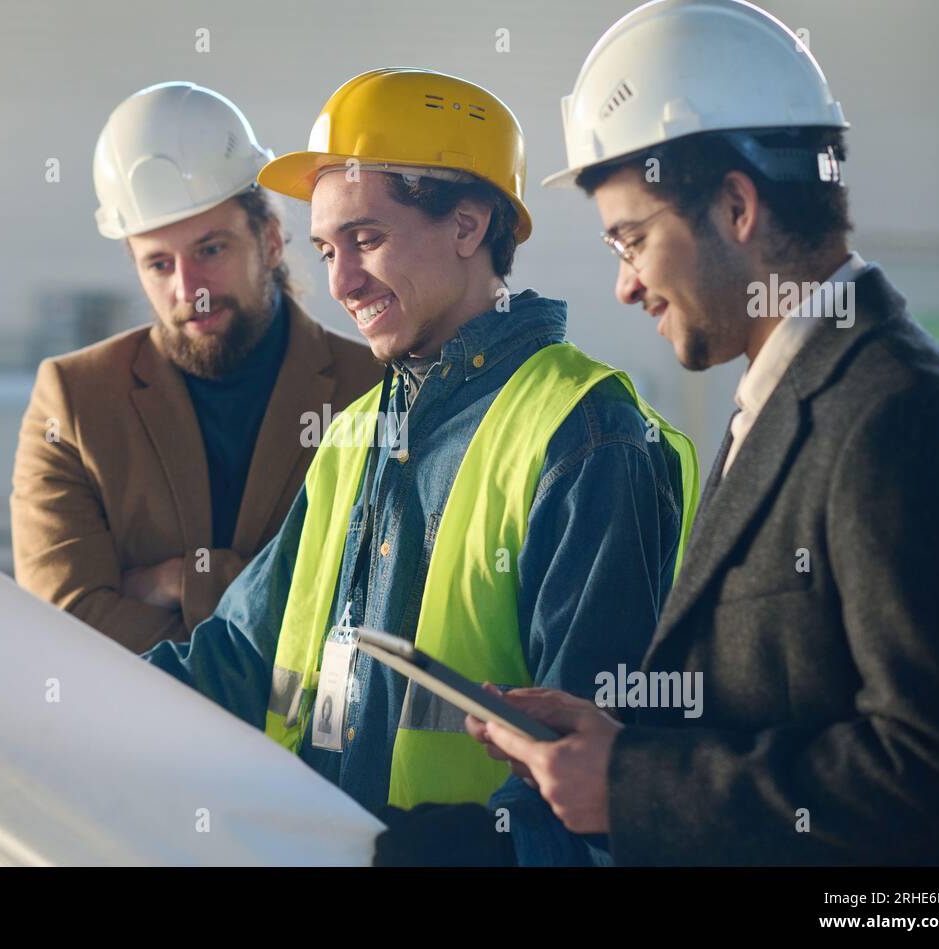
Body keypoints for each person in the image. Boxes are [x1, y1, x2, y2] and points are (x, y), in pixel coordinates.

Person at [468, 0, 939, 865]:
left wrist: (637, 787)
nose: (624, 287)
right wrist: (622, 746)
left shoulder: (895, 420)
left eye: (631, 240)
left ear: (736, 206)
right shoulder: (782, 398)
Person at [141, 68, 699, 866]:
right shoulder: (357, 432)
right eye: (328, 250)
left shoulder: (588, 435)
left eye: (366, 240)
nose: (340, 283)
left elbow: (597, 774)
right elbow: (235, 658)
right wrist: (33, 693)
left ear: (470, 224)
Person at [9, 82, 380, 652]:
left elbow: (377, 608)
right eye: (159, 264)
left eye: (211, 250)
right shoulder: (73, 399)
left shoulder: (374, 390)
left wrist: (178, 581)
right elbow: (63, 626)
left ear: (273, 240)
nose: (190, 290)